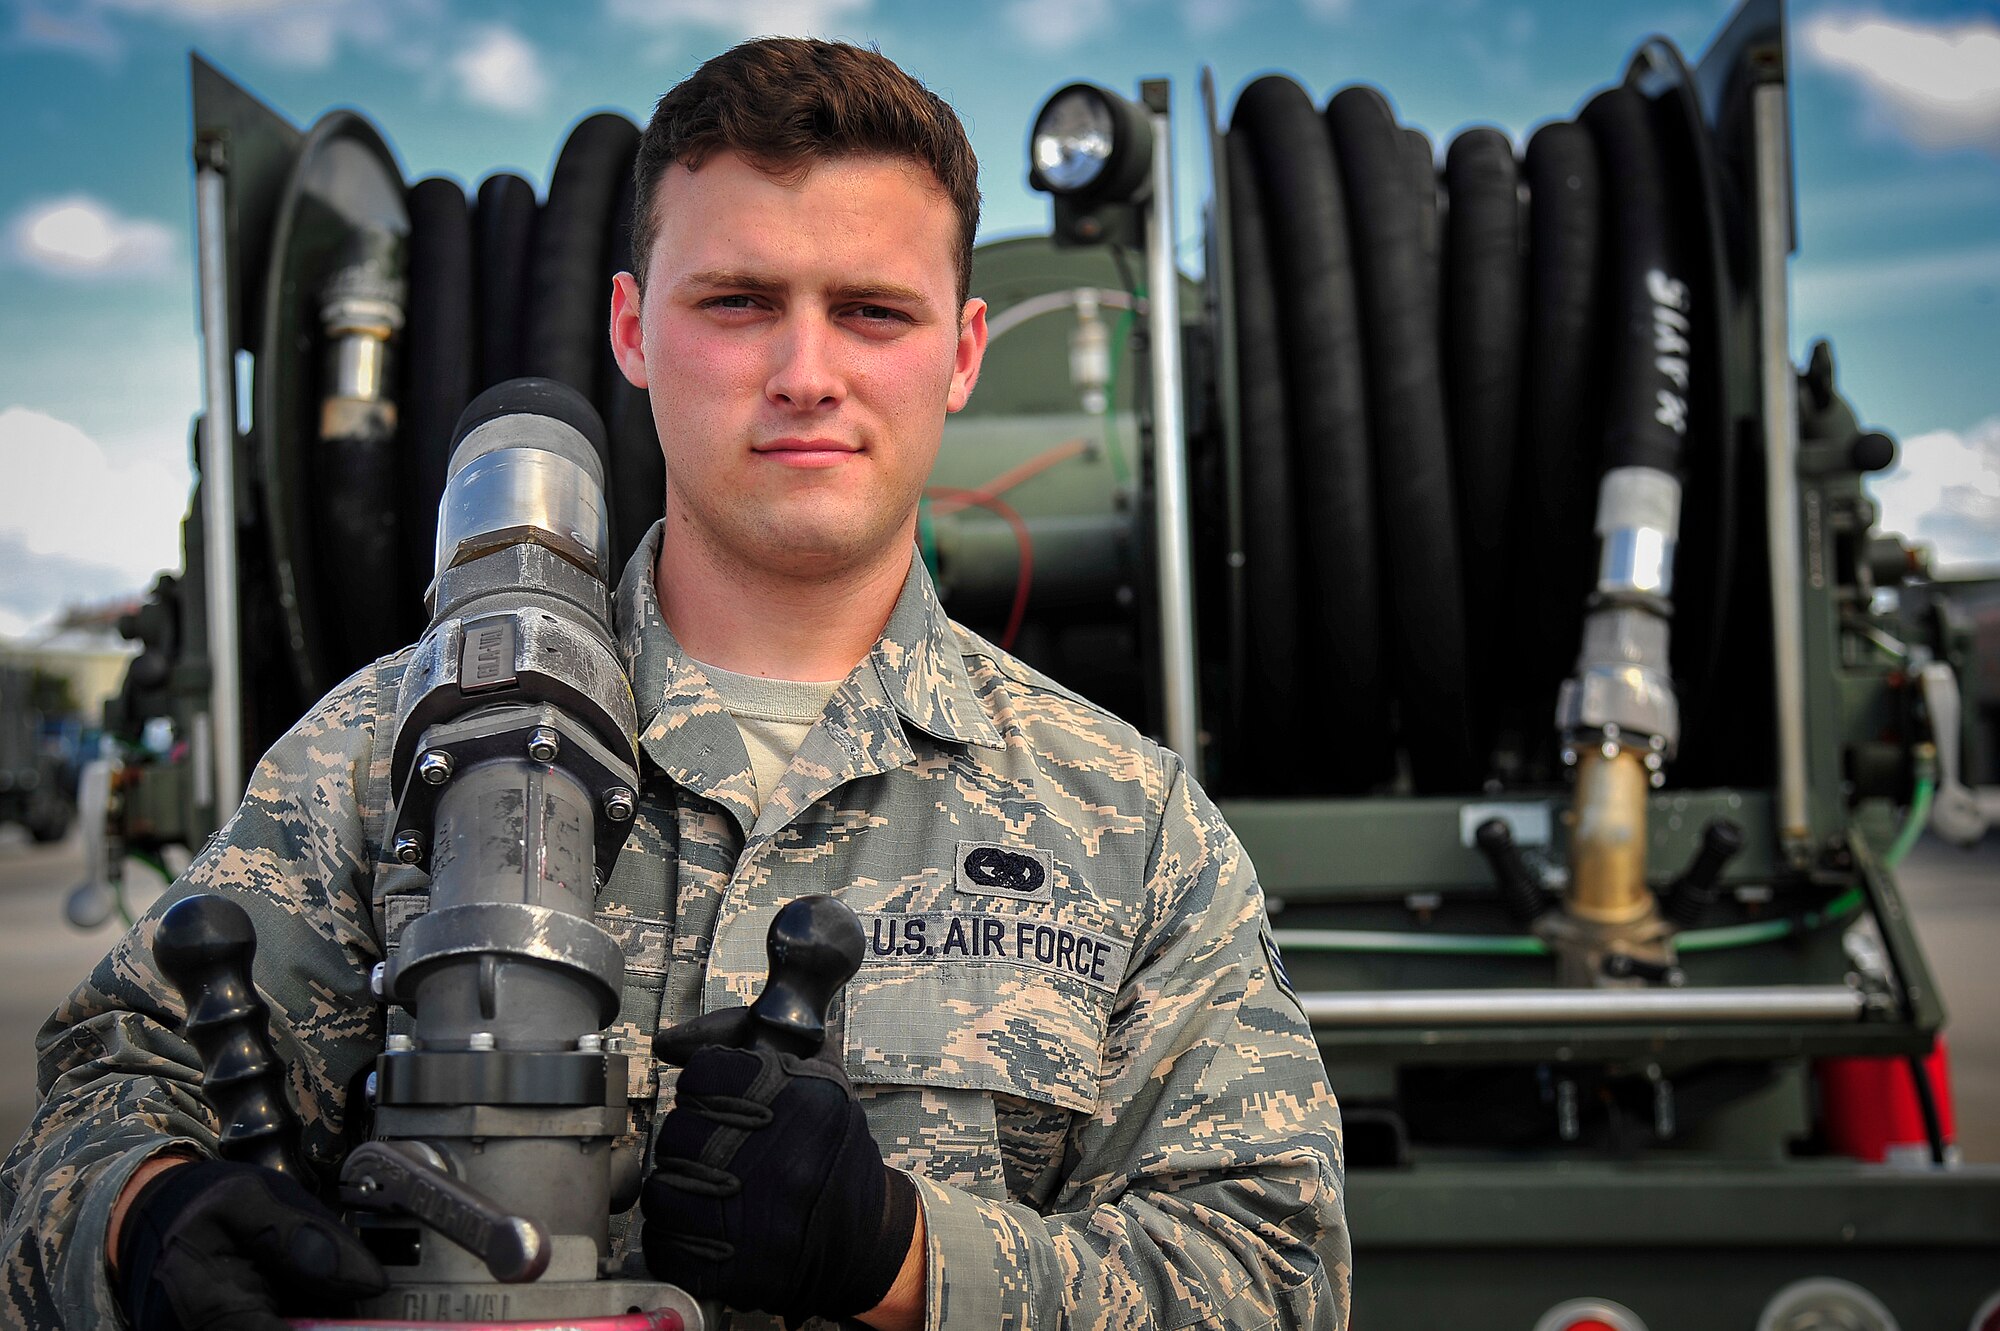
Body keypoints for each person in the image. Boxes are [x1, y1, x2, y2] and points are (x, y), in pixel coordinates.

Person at [0, 37, 1350, 1331]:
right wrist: (146, 1217)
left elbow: (1281, 1278)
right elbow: (96, 1113)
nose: (805, 373)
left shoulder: (1129, 826)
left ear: (962, 352)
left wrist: (906, 1258)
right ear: (634, 330)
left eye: (873, 312)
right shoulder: (378, 756)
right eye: (739, 303)